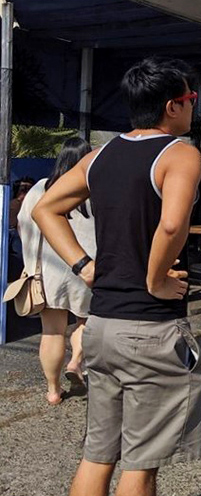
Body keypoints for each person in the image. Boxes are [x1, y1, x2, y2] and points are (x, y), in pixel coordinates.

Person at [33, 57, 201, 496]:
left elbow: (46, 208)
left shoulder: (101, 156)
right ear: (174, 103)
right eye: (192, 100)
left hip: (102, 324)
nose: (193, 108)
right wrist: (156, 281)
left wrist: (84, 265)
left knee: (97, 454)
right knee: (139, 463)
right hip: (152, 329)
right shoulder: (181, 154)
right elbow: (173, 222)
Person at [18, 140, 95, 404]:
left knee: (51, 331)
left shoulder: (40, 188)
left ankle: (53, 390)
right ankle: (75, 362)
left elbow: (23, 224)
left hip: (48, 273)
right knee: (86, 321)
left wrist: (30, 262)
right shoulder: (92, 189)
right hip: (86, 268)